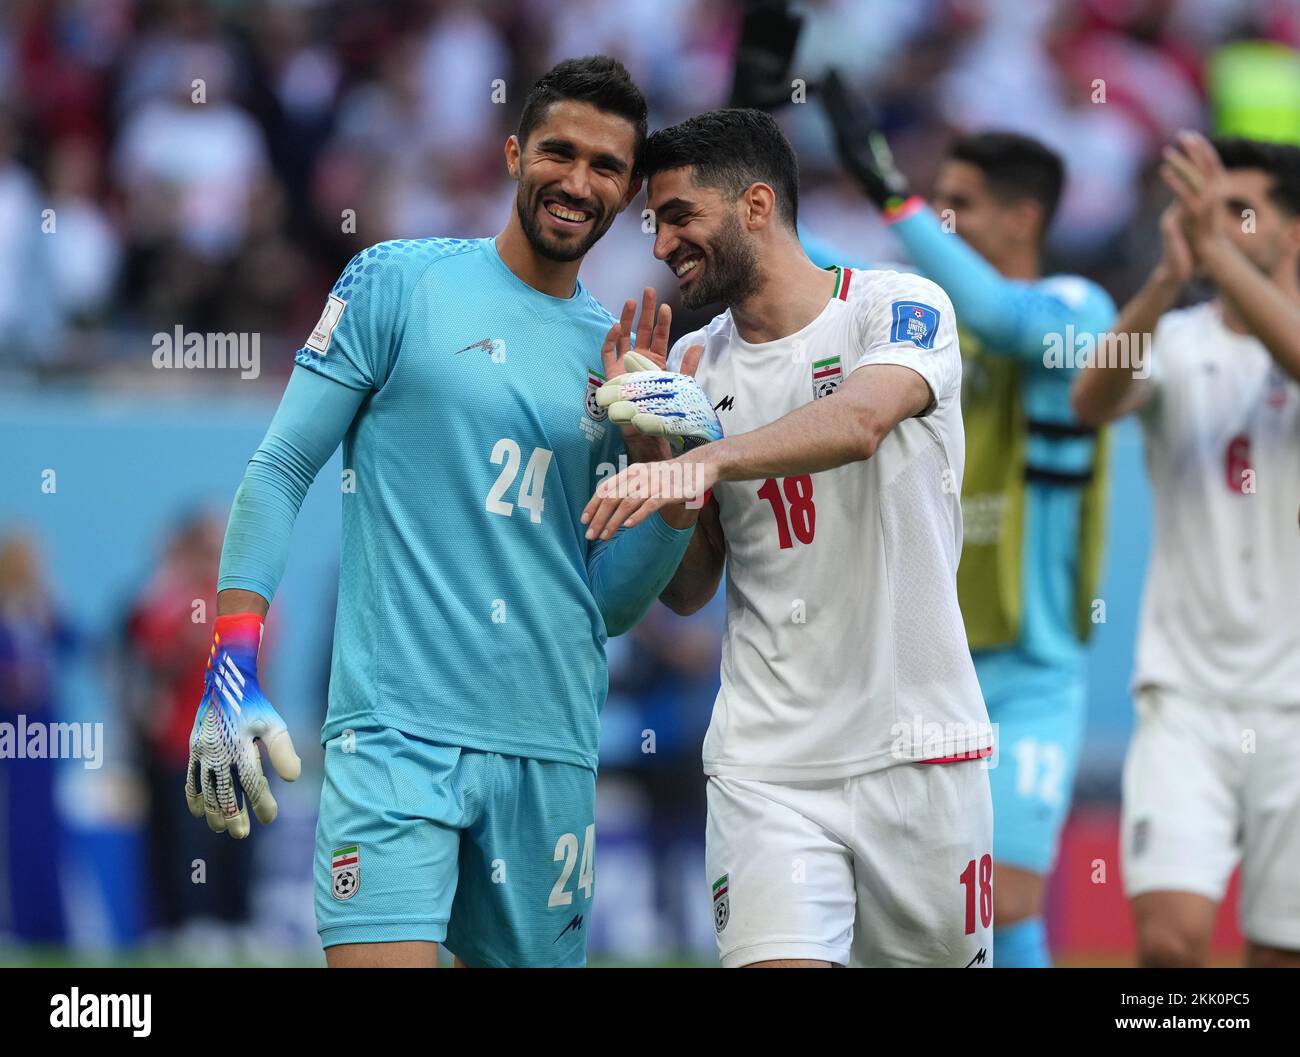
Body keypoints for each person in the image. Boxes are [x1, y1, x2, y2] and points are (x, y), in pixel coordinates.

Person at [185, 56, 699, 968]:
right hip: (396, 735)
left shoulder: (620, 361)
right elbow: (282, 465)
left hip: (550, 746)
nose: (578, 182)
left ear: (629, 192)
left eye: (607, 166)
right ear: (512, 153)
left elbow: (610, 603)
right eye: (559, 151)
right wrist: (232, 656)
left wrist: (666, 474)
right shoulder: (395, 281)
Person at [584, 108, 994, 968]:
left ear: (758, 205)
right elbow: (692, 588)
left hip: (919, 746)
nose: (662, 244)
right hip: (766, 761)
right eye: (656, 223)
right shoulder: (693, 369)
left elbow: (862, 420)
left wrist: (706, 459)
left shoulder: (896, 304)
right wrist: (658, 453)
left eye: (680, 216)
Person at [817, 75, 1118, 966]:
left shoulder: (1077, 309)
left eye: (956, 206)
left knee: (1008, 893)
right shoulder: (916, 324)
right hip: (925, 661)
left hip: (1031, 669)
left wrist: (888, 190)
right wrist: (759, 159)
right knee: (931, 908)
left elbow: (994, 312)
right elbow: (814, 270)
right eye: (931, 205)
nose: (931, 223)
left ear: (1022, 218)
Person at [1071, 132, 1300, 968]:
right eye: (1210, 210)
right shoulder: (1179, 340)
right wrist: (1168, 278)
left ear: (1295, 234)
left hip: (1295, 707)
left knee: (1280, 955)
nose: (1219, 226)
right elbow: (1090, 397)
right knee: (1170, 946)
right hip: (1185, 698)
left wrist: (1214, 254)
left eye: (1242, 211)